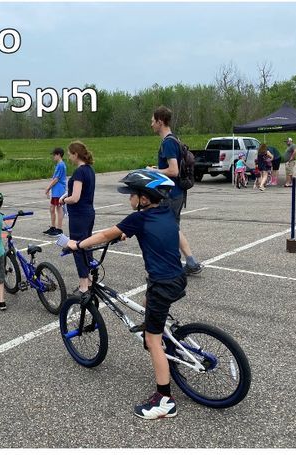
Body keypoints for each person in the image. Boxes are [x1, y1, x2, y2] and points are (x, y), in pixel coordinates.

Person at [62, 169, 185, 420]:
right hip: (175, 278)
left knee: (152, 341)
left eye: (133, 194)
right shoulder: (165, 212)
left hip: (162, 284)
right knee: (148, 304)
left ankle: (165, 400)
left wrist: (77, 244)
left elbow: (107, 234)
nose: (129, 198)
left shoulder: (138, 219)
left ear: (144, 197)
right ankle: (165, 336)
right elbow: (155, 231)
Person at [150, 106, 203, 275]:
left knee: (166, 230)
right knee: (173, 228)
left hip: (170, 194)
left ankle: (170, 266)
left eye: (152, 121)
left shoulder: (168, 142)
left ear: (160, 121)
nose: (151, 124)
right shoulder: (174, 139)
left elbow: (173, 171)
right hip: (177, 192)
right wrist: (158, 168)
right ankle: (191, 262)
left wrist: (154, 172)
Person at [60, 141, 96, 301]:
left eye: (70, 154)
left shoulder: (79, 172)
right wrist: (65, 196)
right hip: (88, 213)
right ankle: (89, 280)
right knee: (87, 247)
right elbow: (74, 193)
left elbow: (75, 197)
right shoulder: (89, 170)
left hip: (79, 216)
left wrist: (63, 201)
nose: (68, 157)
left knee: (78, 248)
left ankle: (83, 287)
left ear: (76, 154)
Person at [43, 147, 67, 236]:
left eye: (54, 155)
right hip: (56, 190)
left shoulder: (61, 165)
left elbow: (56, 179)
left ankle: (59, 229)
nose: (53, 157)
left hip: (59, 190)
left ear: (59, 155)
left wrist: (48, 188)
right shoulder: (58, 165)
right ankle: (53, 227)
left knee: (59, 208)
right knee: (52, 208)